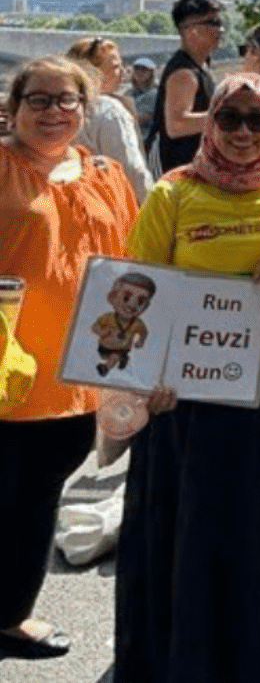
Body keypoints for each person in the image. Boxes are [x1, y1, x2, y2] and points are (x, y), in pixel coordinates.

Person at [115, 72, 260, 683]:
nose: (241, 132)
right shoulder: (173, 193)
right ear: (210, 121)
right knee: (189, 539)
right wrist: (144, 380)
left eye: (257, 120)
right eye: (229, 118)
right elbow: (136, 288)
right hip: (186, 401)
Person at [0, 57, 139, 661]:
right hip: (7, 372)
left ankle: (10, 614)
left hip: (78, 374)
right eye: (39, 100)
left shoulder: (104, 173)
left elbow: (134, 260)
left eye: (67, 100)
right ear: (14, 108)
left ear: (87, 110)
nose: (54, 111)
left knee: (39, 497)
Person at [146, 0, 226, 175]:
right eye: (214, 22)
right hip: (171, 170)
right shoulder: (184, 73)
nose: (221, 29)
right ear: (192, 31)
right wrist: (226, 116)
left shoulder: (201, 66)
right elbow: (176, 125)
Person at [66, 35, 153, 200]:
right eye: (115, 67)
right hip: (109, 207)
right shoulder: (110, 110)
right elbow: (132, 170)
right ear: (94, 72)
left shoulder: (60, 107)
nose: (123, 72)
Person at [128, 56, 159, 137]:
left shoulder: (155, 93)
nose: (139, 72)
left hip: (147, 138)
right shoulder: (128, 92)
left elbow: (142, 118)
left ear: (151, 73)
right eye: (136, 68)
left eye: (144, 69)